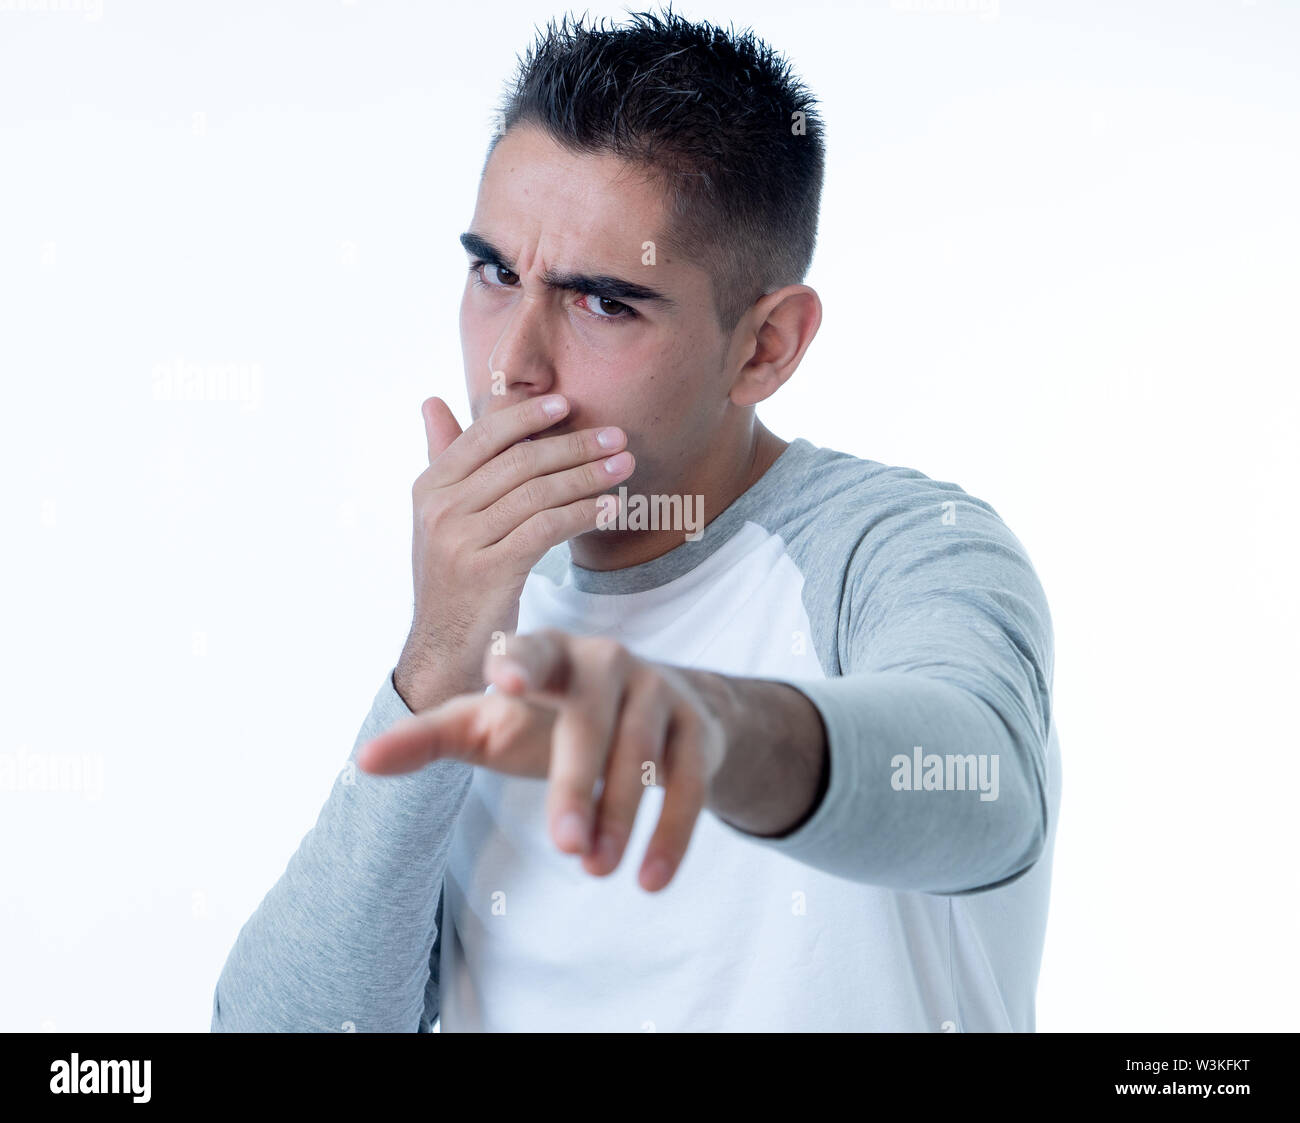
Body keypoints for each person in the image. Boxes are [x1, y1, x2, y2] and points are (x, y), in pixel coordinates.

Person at [211, 7, 1060, 1033]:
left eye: (602, 302)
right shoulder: (477, 612)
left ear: (766, 348)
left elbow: (982, 787)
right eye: (495, 273)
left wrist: (715, 729)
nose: (509, 367)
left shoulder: (901, 545)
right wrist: (435, 665)